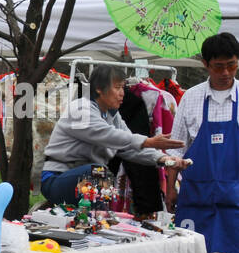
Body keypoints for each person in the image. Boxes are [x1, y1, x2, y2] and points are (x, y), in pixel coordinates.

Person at [41, 64, 185, 205]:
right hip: (56, 178)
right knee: (99, 173)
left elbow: (129, 148)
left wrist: (164, 159)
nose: (122, 93)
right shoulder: (80, 109)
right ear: (99, 89)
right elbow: (107, 134)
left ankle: (95, 219)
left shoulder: (113, 115)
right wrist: (148, 141)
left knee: (103, 180)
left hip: (86, 180)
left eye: (123, 87)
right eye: (117, 88)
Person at [168, 32, 239, 252]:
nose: (225, 72)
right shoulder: (191, 97)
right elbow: (176, 150)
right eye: (218, 66)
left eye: (232, 65)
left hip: (235, 203)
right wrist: (170, 188)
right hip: (195, 200)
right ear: (205, 64)